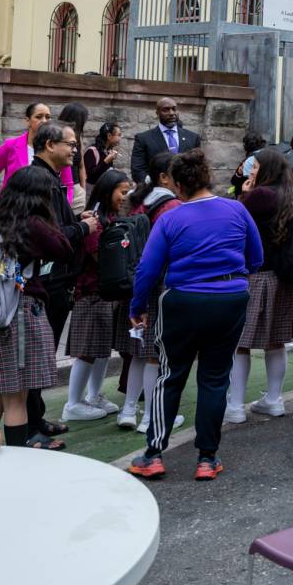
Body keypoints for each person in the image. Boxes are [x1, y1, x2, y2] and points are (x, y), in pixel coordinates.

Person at [127, 148, 260, 481]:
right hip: (230, 297)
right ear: (207, 177)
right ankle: (206, 458)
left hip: (182, 300)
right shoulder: (237, 210)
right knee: (215, 378)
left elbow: (147, 269)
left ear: (177, 186)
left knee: (170, 375)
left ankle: (153, 454)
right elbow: (256, 258)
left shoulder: (171, 218)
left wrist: (137, 306)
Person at [0, 167, 80, 450]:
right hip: (18, 313)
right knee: (15, 398)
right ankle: (16, 460)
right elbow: (63, 248)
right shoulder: (32, 224)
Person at [25, 121, 99, 445]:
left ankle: (35, 418)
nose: (74, 149)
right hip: (46, 281)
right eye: (69, 143)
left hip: (53, 280)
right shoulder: (39, 181)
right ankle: (28, 428)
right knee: (37, 357)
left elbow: (59, 225)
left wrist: (77, 223)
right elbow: (49, 237)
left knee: (43, 356)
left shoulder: (50, 178)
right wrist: (84, 229)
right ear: (49, 145)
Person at [229, 148, 293, 421]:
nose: (251, 171)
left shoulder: (261, 195)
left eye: (255, 167)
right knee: (275, 342)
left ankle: (235, 406)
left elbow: (235, 223)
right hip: (283, 278)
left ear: (266, 169)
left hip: (255, 277)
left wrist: (243, 194)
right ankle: (274, 400)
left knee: (240, 342)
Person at [61, 169, 135, 423]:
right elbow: (101, 258)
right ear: (107, 190)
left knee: (101, 348)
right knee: (87, 350)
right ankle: (73, 403)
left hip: (106, 294)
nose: (125, 197)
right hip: (92, 292)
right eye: (122, 192)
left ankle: (93, 395)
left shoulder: (111, 218)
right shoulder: (95, 221)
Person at [121, 151, 184, 431]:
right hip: (160, 284)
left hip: (135, 282)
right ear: (164, 177)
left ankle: (128, 410)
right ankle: (150, 417)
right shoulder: (171, 206)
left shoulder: (137, 200)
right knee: (155, 354)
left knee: (138, 351)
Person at [0, 103, 74, 202]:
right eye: (38, 117)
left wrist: (64, 209)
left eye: (48, 117)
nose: (44, 121)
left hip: (47, 211)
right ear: (27, 120)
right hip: (13, 209)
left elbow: (68, 184)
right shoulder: (10, 145)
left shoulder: (56, 147)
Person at [130, 98, 202, 185]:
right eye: (166, 110)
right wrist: (154, 187)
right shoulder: (143, 138)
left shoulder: (193, 138)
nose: (171, 113)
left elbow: (198, 167)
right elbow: (137, 170)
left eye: (174, 109)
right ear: (157, 113)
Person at [58, 103, 91, 212]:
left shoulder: (78, 138)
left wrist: (83, 189)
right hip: (59, 188)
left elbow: (81, 166)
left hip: (76, 190)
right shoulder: (56, 136)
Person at [84, 122, 124, 197]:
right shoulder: (92, 151)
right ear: (109, 136)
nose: (120, 138)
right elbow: (90, 176)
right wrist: (106, 161)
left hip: (103, 193)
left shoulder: (107, 151)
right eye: (119, 135)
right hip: (91, 194)